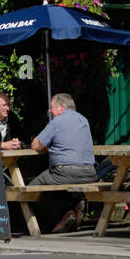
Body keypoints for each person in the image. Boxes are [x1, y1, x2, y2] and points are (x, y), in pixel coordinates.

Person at [28, 92, 98, 233]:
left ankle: (66, 212)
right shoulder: (83, 120)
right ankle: (72, 208)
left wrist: (44, 145)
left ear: (61, 107)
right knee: (55, 186)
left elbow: (36, 146)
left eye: (52, 107)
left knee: (29, 190)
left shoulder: (57, 122)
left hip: (65, 172)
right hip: (90, 173)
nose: (49, 110)